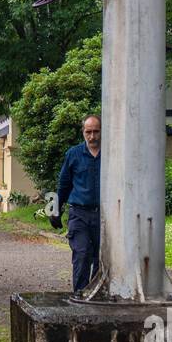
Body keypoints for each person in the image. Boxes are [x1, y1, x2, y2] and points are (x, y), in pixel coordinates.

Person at [51, 115, 101, 293]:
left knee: (101, 257)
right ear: (83, 132)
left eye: (96, 132)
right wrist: (56, 209)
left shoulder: (112, 154)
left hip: (103, 215)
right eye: (88, 132)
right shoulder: (74, 154)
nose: (92, 136)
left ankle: (96, 294)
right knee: (81, 253)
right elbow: (63, 184)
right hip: (79, 213)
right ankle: (79, 294)